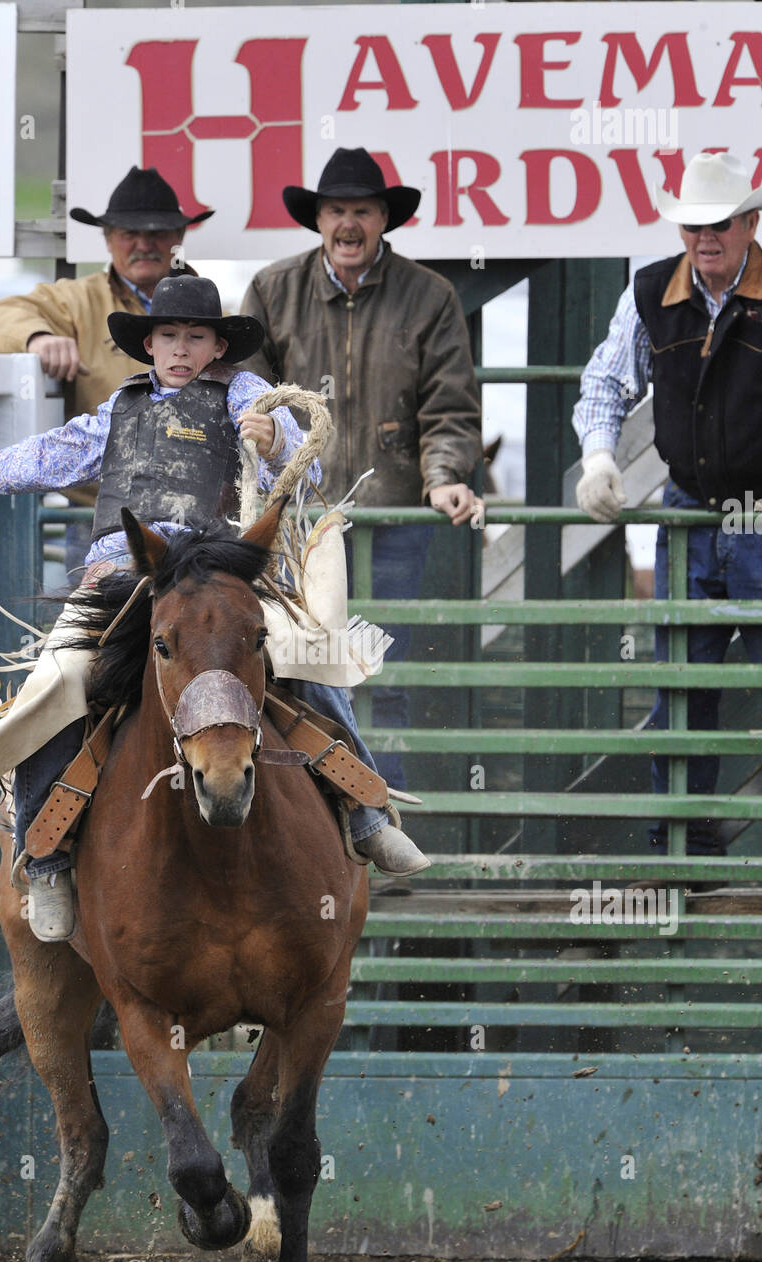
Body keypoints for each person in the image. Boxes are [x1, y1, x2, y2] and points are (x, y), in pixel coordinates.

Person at [0, 277, 429, 940]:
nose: (182, 348)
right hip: (123, 575)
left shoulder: (244, 396)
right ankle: (47, 857)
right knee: (57, 684)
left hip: (218, 572)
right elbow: (51, 455)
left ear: (216, 346)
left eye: (196, 336)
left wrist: (270, 446)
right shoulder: (117, 408)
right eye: (169, 335)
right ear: (148, 344)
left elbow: (306, 475)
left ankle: (363, 811)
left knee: (308, 656)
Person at [240, 147, 484, 789]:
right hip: (294, 523)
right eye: (337, 211)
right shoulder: (271, 289)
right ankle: (310, 835)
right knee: (290, 669)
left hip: (393, 518)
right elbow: (247, 397)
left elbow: (450, 405)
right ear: (318, 220)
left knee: (380, 675)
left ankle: (377, 818)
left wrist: (443, 476)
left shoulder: (429, 297)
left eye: (363, 211)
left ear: (384, 219)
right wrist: (263, 447)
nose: (349, 224)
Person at [573, 151, 762, 855]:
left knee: (690, 685)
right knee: (679, 690)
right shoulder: (650, 290)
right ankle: (681, 848)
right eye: (691, 227)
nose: (703, 239)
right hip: (686, 508)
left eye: (717, 225)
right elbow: (605, 383)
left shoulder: (660, 288)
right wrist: (597, 455)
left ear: (748, 223)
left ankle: (682, 845)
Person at [0, 166, 210, 574]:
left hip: (197, 519)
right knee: (100, 635)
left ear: (178, 239)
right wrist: (36, 337)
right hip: (100, 520)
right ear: (108, 239)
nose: (142, 244)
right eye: (129, 233)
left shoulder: (210, 308)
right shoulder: (74, 302)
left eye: (156, 233)